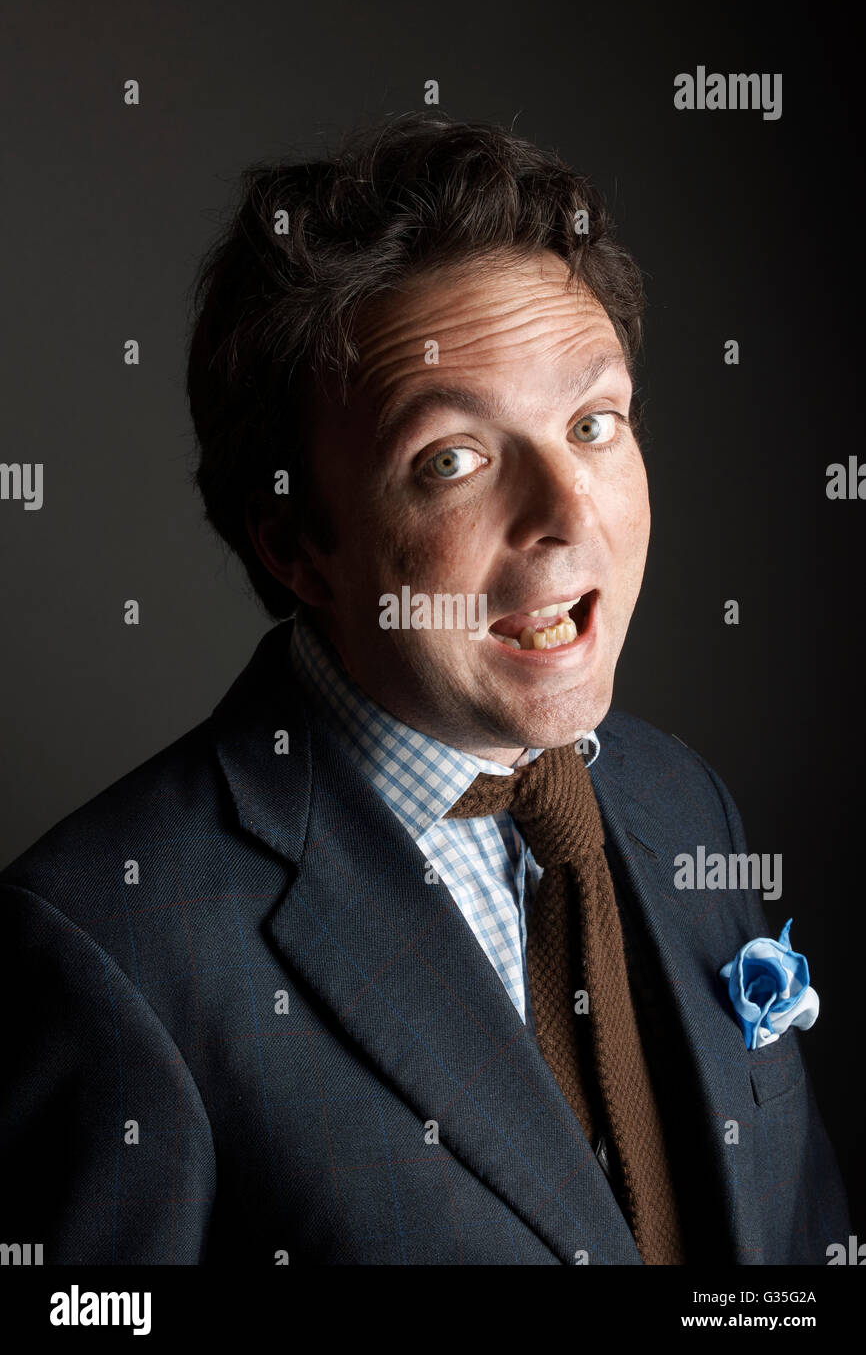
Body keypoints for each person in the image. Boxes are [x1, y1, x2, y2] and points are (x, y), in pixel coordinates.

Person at [0, 114, 849, 1265]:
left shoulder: (677, 801)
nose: (564, 514)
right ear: (297, 542)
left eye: (592, 424)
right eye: (452, 459)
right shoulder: (109, 948)